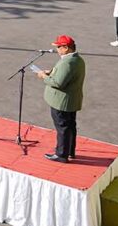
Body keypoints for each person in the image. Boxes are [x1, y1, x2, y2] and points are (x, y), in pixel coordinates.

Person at [36, 34, 85, 162]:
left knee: (62, 127)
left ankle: (61, 154)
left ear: (66, 48)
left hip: (61, 102)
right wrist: (52, 72)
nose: (57, 49)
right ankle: (70, 151)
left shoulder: (67, 62)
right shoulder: (77, 59)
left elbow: (58, 83)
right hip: (71, 100)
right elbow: (65, 75)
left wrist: (44, 76)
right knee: (70, 126)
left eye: (59, 47)